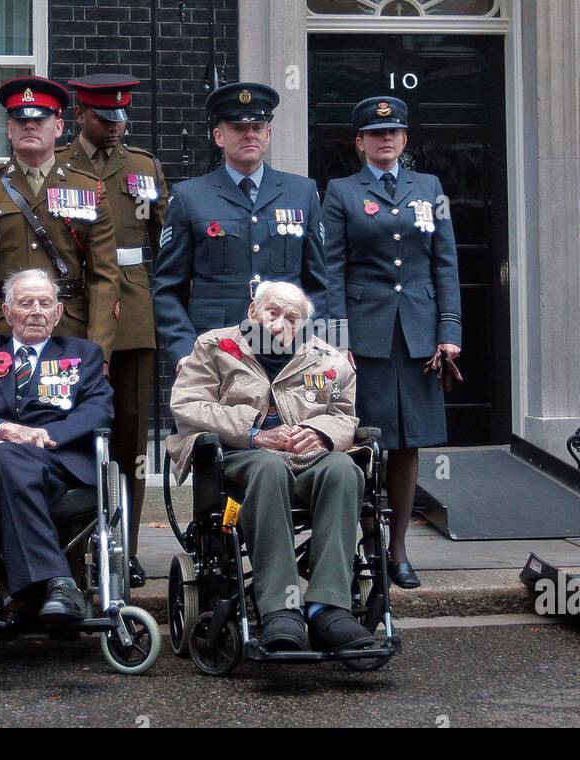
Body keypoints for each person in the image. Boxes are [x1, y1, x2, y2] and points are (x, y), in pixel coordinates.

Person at [167, 281, 374, 652]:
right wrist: (252, 433)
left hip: (306, 461)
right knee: (267, 468)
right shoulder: (215, 346)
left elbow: (346, 417)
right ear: (253, 313)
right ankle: (282, 608)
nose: (280, 325)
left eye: (292, 318)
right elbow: (188, 405)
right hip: (239, 461)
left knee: (344, 469)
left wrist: (321, 433)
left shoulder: (329, 359)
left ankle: (329, 608)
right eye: (272, 313)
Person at [321, 96, 461, 588]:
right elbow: (330, 269)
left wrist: (450, 333)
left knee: (408, 446)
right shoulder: (340, 192)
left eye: (395, 133)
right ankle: (366, 540)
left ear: (404, 140)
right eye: (377, 134)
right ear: (360, 142)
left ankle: (398, 548)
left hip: (420, 336)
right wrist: (336, 339)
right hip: (364, 338)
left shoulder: (430, 188)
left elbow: (446, 264)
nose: (387, 139)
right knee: (365, 441)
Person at [0, 269, 114, 625]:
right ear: (7, 313)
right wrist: (3, 429)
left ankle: (0, 582)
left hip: (57, 463)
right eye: (25, 303)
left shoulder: (84, 353)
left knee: (3, 453)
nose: (36, 310)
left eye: (45, 303)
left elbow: (99, 410)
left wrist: (45, 435)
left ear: (58, 312)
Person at [56, 74, 169, 586]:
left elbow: (164, 241)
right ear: (81, 116)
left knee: (130, 432)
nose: (116, 128)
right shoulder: (59, 167)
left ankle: (126, 546)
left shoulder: (143, 167)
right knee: (69, 428)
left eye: (122, 119)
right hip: (74, 309)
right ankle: (71, 548)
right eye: (105, 119)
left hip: (135, 311)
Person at [152, 82, 335, 371]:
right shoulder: (189, 196)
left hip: (287, 346)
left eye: (258, 127)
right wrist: (183, 350)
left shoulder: (302, 192)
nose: (250, 135)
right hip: (216, 347)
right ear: (219, 136)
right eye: (238, 128)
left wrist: (319, 346)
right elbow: (167, 289)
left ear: (269, 133)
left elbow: (319, 285)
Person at [0, 76, 120, 372]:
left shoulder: (88, 188)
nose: (28, 126)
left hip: (69, 328)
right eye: (19, 121)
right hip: (1, 332)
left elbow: (103, 278)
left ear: (58, 126)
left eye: (39, 120)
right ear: (9, 129)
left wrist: (100, 353)